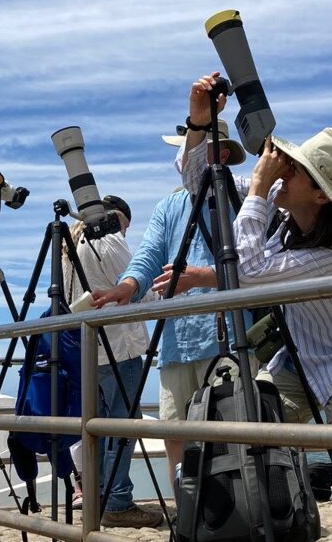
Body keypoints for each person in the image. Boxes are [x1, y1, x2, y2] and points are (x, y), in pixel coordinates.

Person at [173, 100, 332, 539]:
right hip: (296, 367)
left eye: (293, 169)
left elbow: (249, 274)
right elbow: (201, 182)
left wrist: (258, 188)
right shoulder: (286, 216)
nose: (281, 172)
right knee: (234, 439)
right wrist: (200, 122)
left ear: (320, 194)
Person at [91, 79, 254, 485]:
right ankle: (188, 509)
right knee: (175, 433)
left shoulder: (244, 196)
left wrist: (203, 279)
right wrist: (128, 286)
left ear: (220, 153)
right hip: (176, 342)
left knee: (232, 435)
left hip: (229, 336)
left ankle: (235, 510)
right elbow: (148, 254)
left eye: (192, 149)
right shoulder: (169, 205)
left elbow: (257, 264)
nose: (184, 158)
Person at [61, 196, 162, 528]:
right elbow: (134, 287)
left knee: (98, 428)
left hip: (87, 351)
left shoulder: (70, 246)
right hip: (120, 348)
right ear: (119, 218)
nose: (125, 233)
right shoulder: (108, 238)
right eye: (126, 227)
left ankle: (97, 496)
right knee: (123, 426)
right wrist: (167, 289)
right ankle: (117, 501)